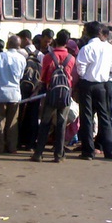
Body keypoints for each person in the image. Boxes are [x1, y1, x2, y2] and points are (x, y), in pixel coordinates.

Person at [75, 21, 112, 160]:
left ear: (89, 33)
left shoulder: (87, 48)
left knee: (87, 118)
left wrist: (86, 77)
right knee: (105, 117)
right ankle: (109, 150)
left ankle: (88, 152)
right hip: (104, 84)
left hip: (88, 84)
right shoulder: (109, 48)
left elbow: (81, 68)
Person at [30, 29, 75, 163]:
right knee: (61, 124)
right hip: (66, 93)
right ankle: (59, 155)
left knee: (45, 123)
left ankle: (38, 154)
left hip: (51, 93)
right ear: (67, 42)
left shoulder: (48, 57)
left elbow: (43, 78)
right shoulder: (71, 58)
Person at [0, 35, 26, 153]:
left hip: (0, 93)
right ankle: (12, 147)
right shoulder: (22, 59)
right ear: (19, 45)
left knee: (0, 121)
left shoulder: (0, 57)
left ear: (8, 44)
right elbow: (20, 77)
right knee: (12, 122)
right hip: (15, 94)